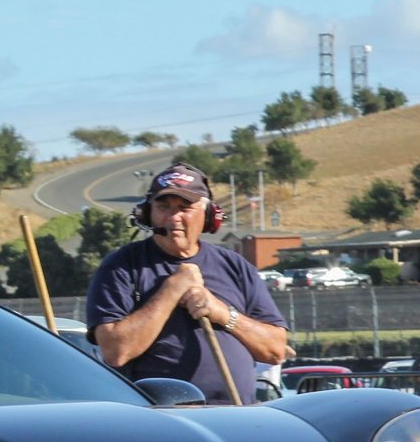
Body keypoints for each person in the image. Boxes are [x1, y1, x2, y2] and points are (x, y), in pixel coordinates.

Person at [85, 163, 288, 404]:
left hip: (238, 418)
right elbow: (116, 351)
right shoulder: (120, 267)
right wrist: (172, 290)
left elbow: (275, 350)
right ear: (147, 214)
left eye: (185, 208)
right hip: (164, 422)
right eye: (163, 207)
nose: (173, 217)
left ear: (209, 216)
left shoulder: (235, 265)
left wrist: (222, 313)